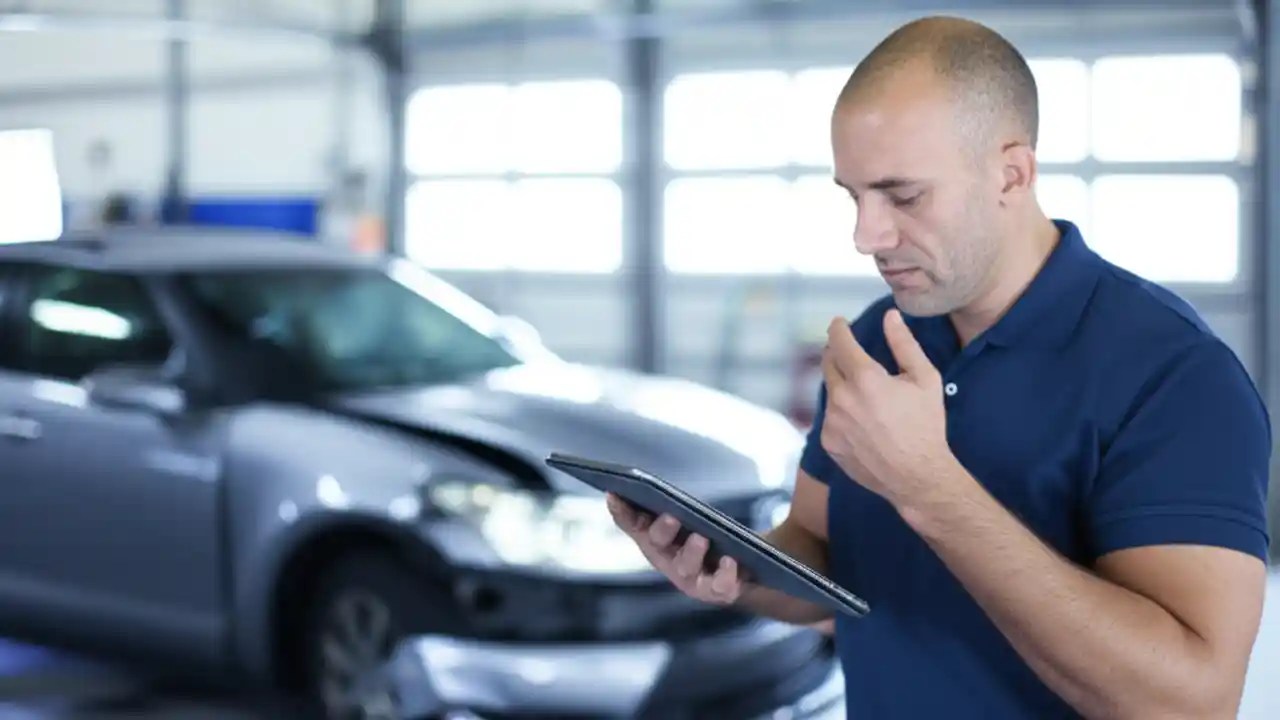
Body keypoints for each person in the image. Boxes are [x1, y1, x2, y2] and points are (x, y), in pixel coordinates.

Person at [607, 15, 1272, 719]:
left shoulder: (1174, 376)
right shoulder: (878, 339)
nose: (867, 236)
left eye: (904, 196)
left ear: (1012, 174)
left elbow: (1189, 703)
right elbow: (824, 556)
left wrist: (930, 488)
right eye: (853, 195)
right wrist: (735, 570)